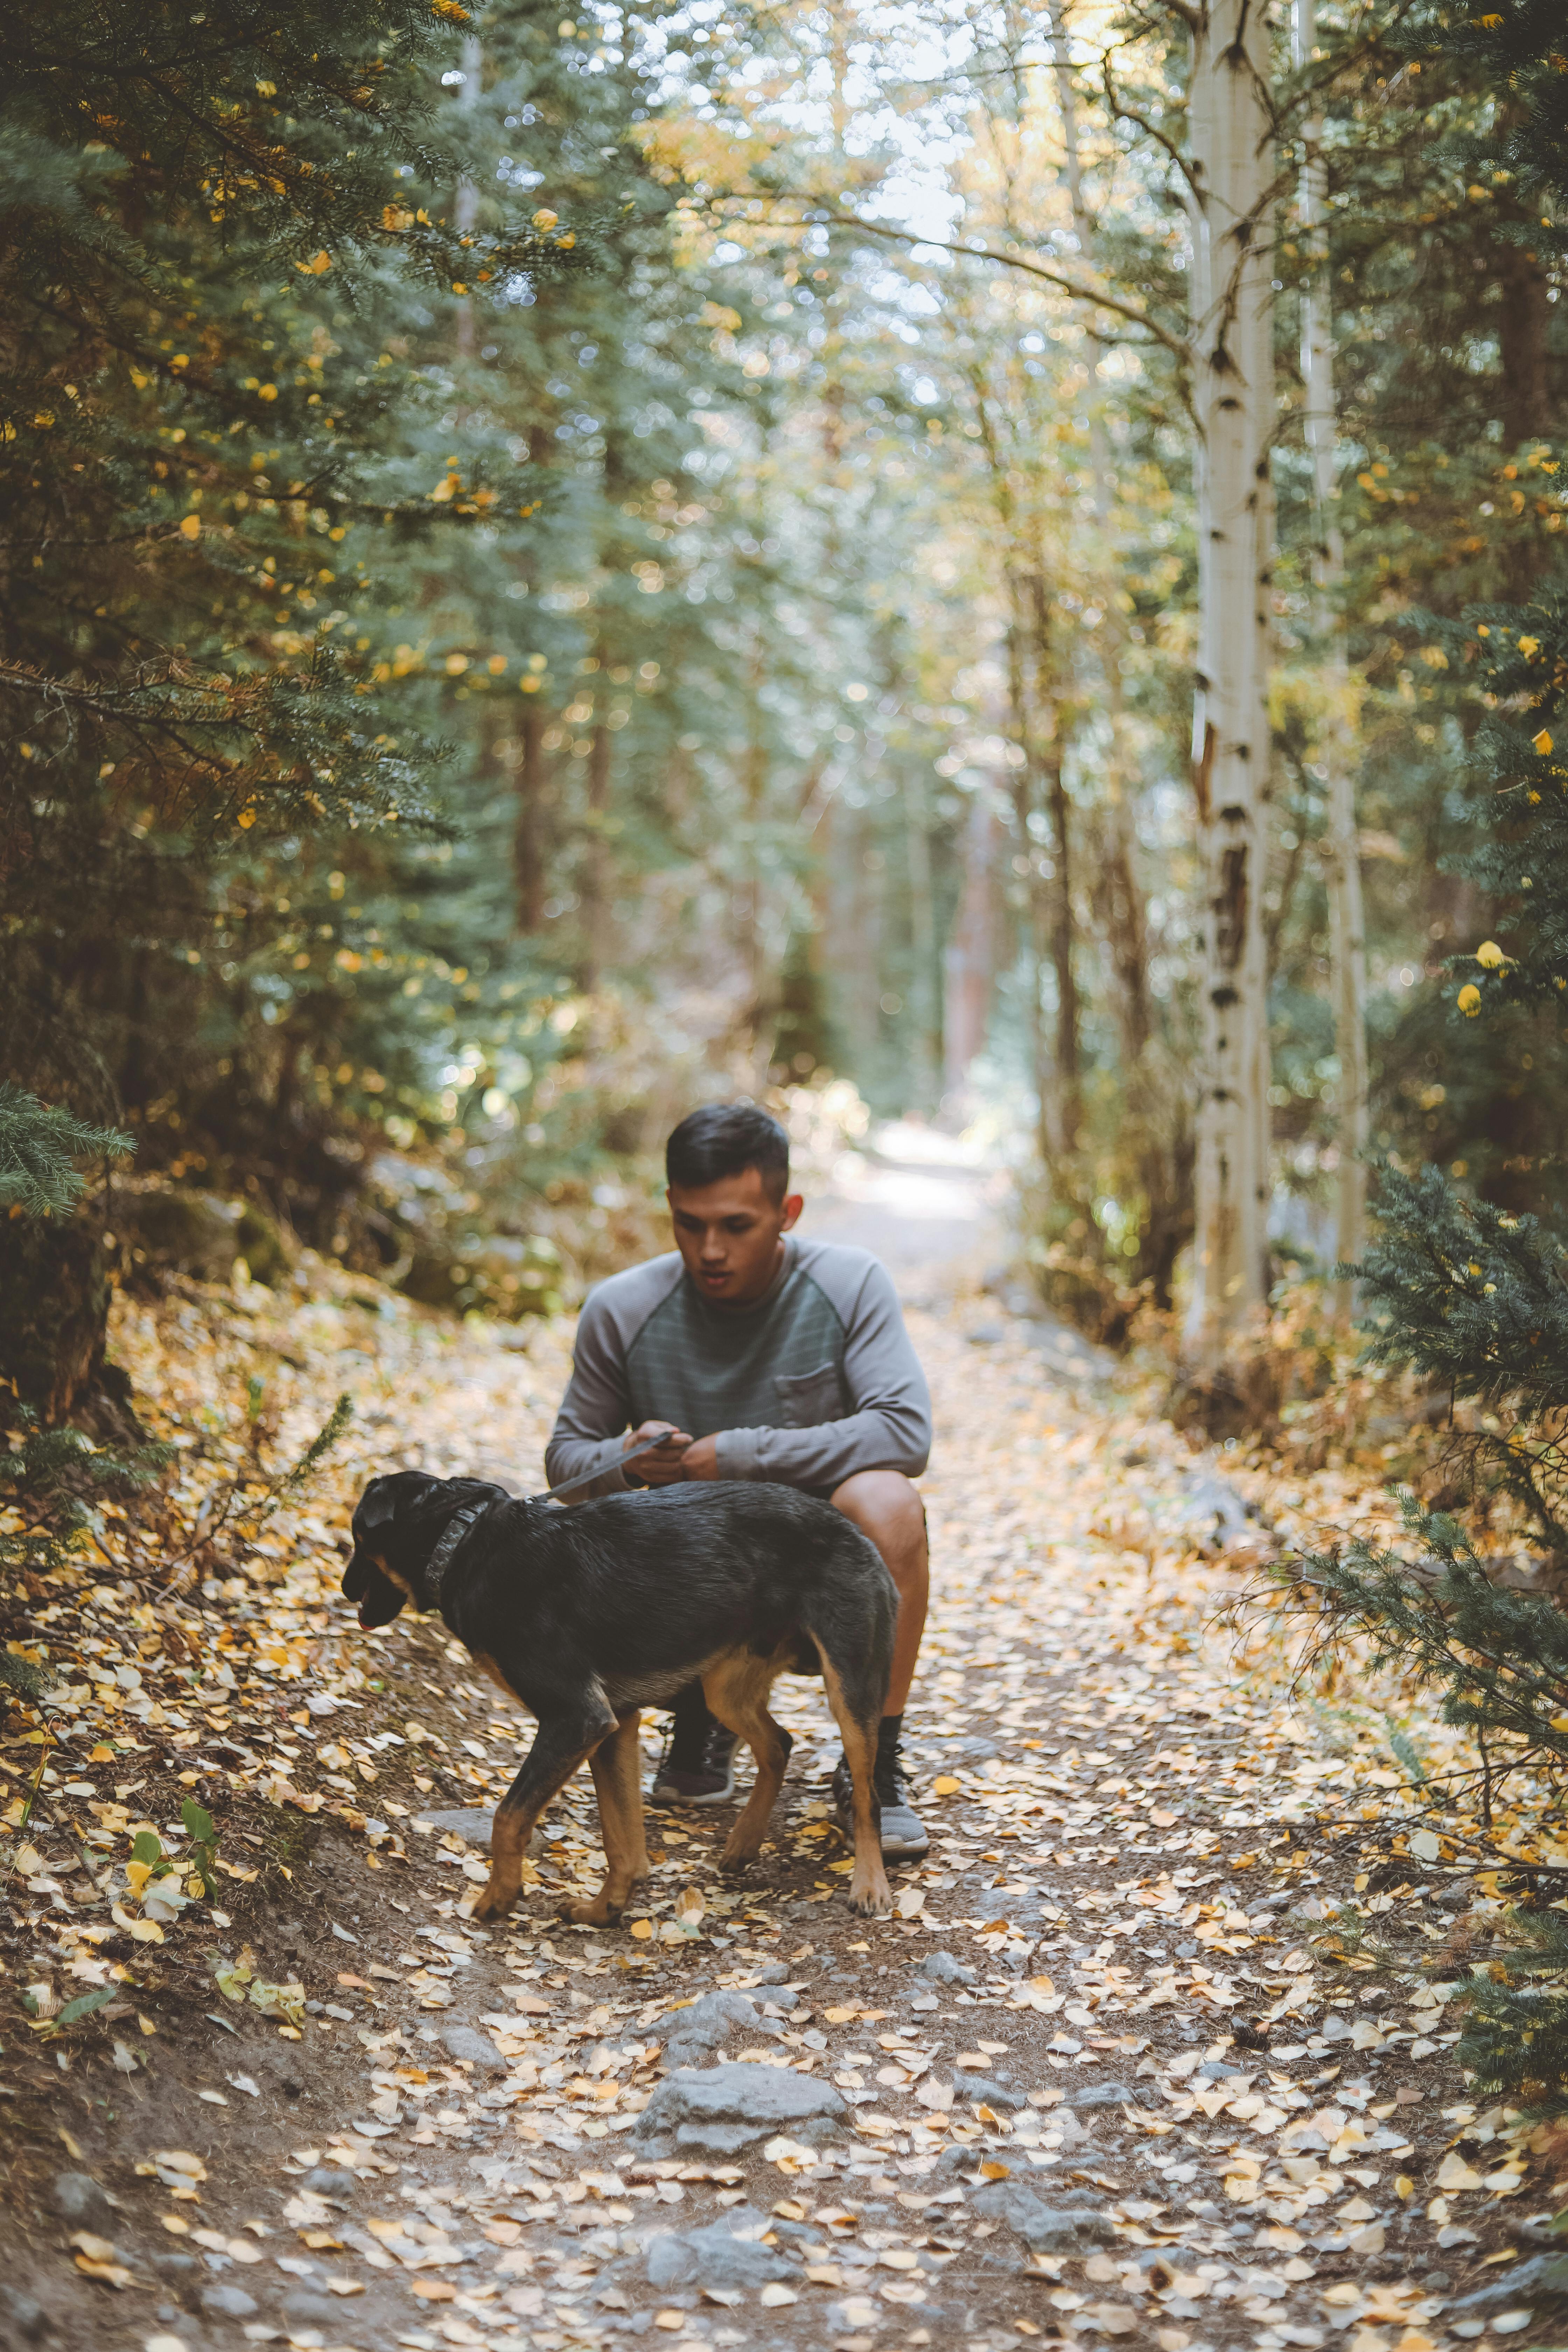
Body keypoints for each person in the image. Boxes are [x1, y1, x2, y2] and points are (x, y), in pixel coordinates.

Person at [544, 1100, 932, 1858]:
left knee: (888, 1502)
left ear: (786, 1212)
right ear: (669, 1208)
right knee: (598, 1527)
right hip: (689, 1584)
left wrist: (745, 1454)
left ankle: (875, 1770)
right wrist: (623, 1459)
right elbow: (563, 1467)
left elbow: (905, 1432)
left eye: (736, 1226)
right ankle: (698, 1717)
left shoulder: (849, 1284)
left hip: (816, 1574)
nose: (709, 1250)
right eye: (690, 1224)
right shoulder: (620, 1309)